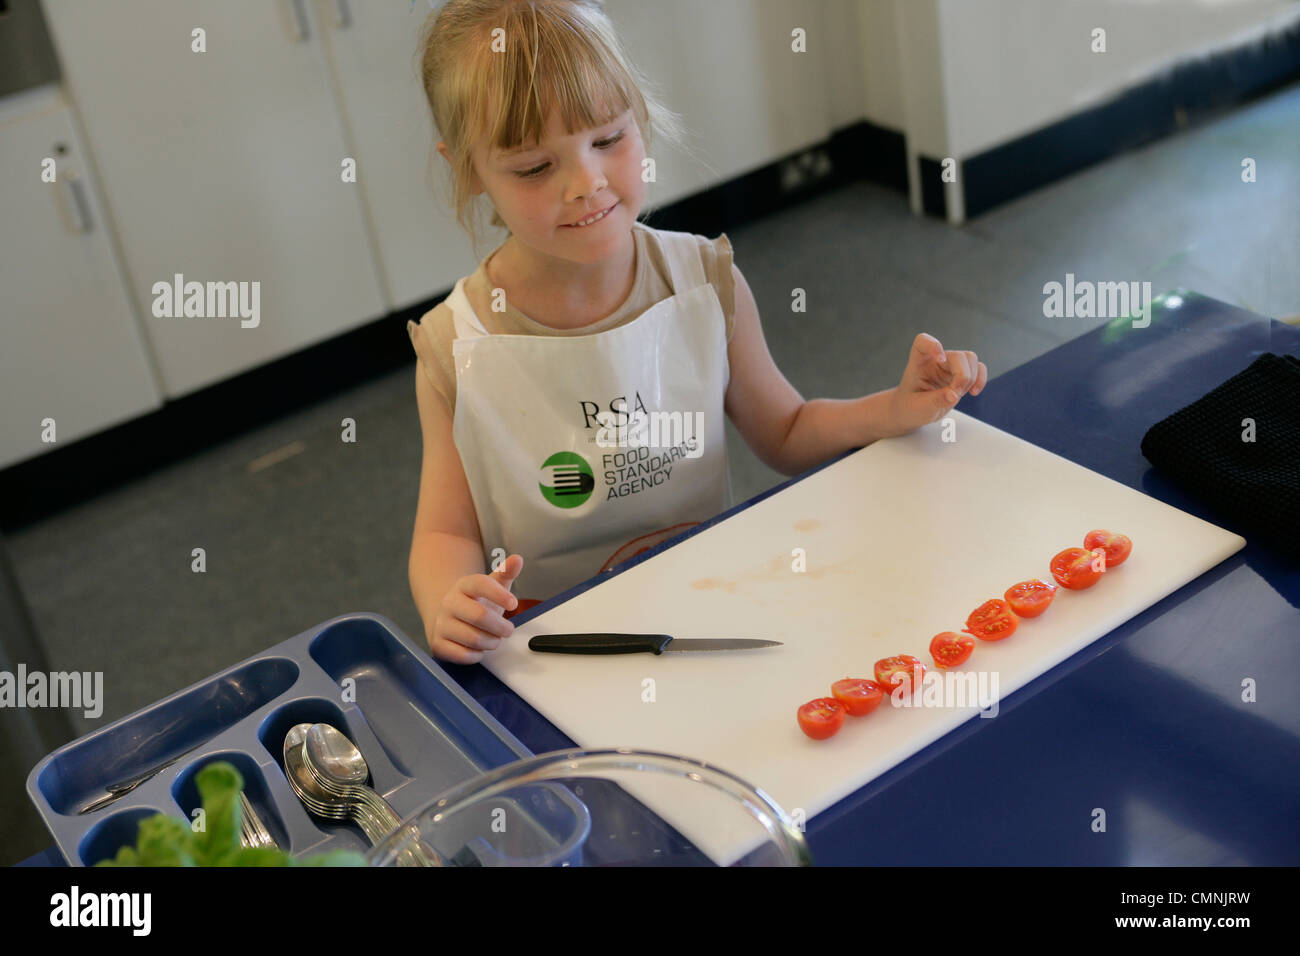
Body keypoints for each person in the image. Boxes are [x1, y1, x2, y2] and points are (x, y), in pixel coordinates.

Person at [407, 0, 987, 663]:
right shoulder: (456, 344)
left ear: (641, 120)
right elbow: (444, 534)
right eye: (535, 167)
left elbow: (788, 430)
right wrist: (450, 598)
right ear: (467, 169)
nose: (586, 184)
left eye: (607, 140)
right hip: (559, 647)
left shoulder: (704, 280)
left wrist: (893, 409)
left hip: (705, 615)